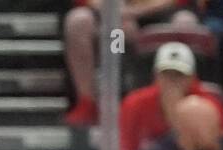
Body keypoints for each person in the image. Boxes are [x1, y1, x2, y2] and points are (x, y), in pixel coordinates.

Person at [64, 0, 202, 126]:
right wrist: (114, 10)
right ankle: (89, 102)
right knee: (80, 21)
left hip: (157, 10)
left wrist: (138, 10)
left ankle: (181, 101)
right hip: (112, 14)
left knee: (185, 22)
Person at [119, 42, 223, 150]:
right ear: (156, 76)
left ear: (192, 78)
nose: (172, 81)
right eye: (166, 74)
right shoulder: (134, 104)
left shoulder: (209, 107)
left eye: (179, 75)